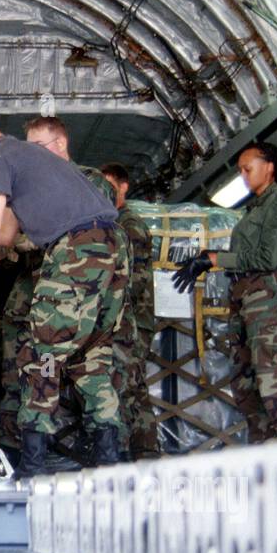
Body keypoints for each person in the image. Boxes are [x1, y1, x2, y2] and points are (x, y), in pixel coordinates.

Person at [0, 106, 127, 476]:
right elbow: (5, 239)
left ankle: (32, 468)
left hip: (75, 250)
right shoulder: (26, 157)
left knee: (41, 357)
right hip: (111, 247)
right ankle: (113, 466)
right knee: (90, 357)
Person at [172, 141, 277, 443]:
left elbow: (267, 258)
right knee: (245, 385)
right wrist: (211, 257)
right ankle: (265, 453)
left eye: (248, 168)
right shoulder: (253, 209)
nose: (244, 175)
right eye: (241, 171)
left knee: (274, 383)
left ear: (269, 167)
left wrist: (215, 258)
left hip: (271, 304)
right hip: (247, 303)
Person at [102, 162, 160, 460]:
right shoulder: (113, 223)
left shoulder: (128, 225)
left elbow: (131, 283)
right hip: (127, 322)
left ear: (123, 187)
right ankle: (143, 453)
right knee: (132, 388)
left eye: (109, 186)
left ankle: (130, 455)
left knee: (125, 387)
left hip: (132, 323)